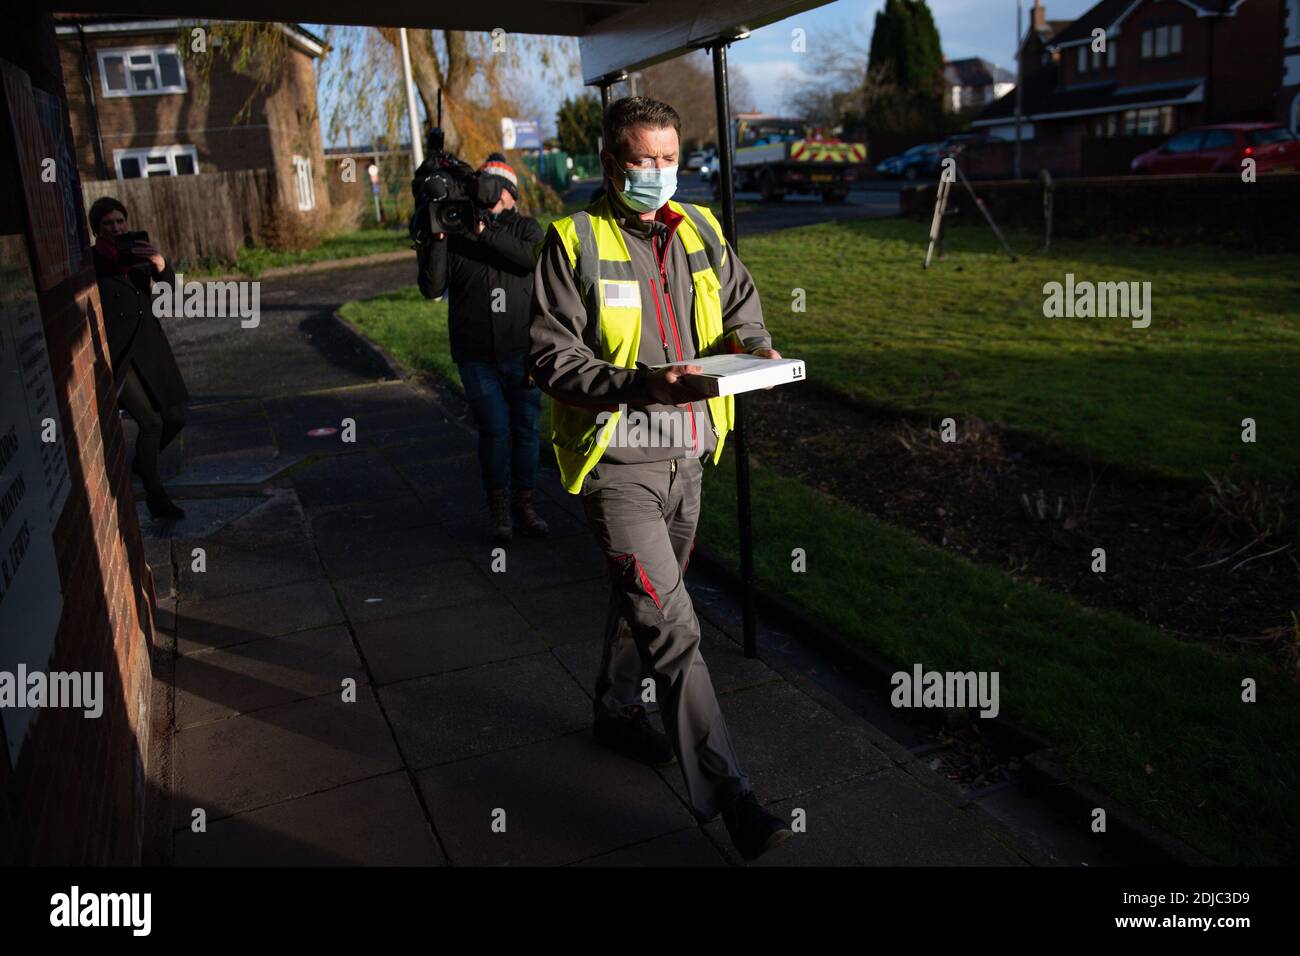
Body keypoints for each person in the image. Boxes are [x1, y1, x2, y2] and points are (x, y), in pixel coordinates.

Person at [529, 96, 792, 861]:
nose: (658, 173)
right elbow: (550, 359)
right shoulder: (573, 240)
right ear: (611, 165)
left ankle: (614, 711)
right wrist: (646, 384)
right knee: (674, 626)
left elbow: (739, 299)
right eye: (643, 160)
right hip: (620, 466)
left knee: (641, 596)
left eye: (669, 158)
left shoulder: (702, 227)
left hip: (691, 459)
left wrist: (757, 345)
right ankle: (731, 794)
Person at [417, 154, 547, 541]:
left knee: (526, 429)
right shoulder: (457, 234)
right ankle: (499, 510)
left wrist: (481, 230)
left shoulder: (526, 229)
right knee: (495, 429)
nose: (490, 198)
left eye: (497, 189)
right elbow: (432, 287)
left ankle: (525, 504)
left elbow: (528, 259)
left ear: (511, 195)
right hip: (475, 355)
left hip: (523, 352)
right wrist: (438, 236)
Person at [89, 196, 189, 520]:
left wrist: (161, 265)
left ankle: (142, 463)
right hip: (121, 354)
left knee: (175, 416)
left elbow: (172, 291)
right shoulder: (94, 262)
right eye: (108, 223)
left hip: (149, 346)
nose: (116, 227)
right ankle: (156, 497)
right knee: (151, 422)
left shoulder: (138, 255)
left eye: (120, 221)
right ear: (97, 229)